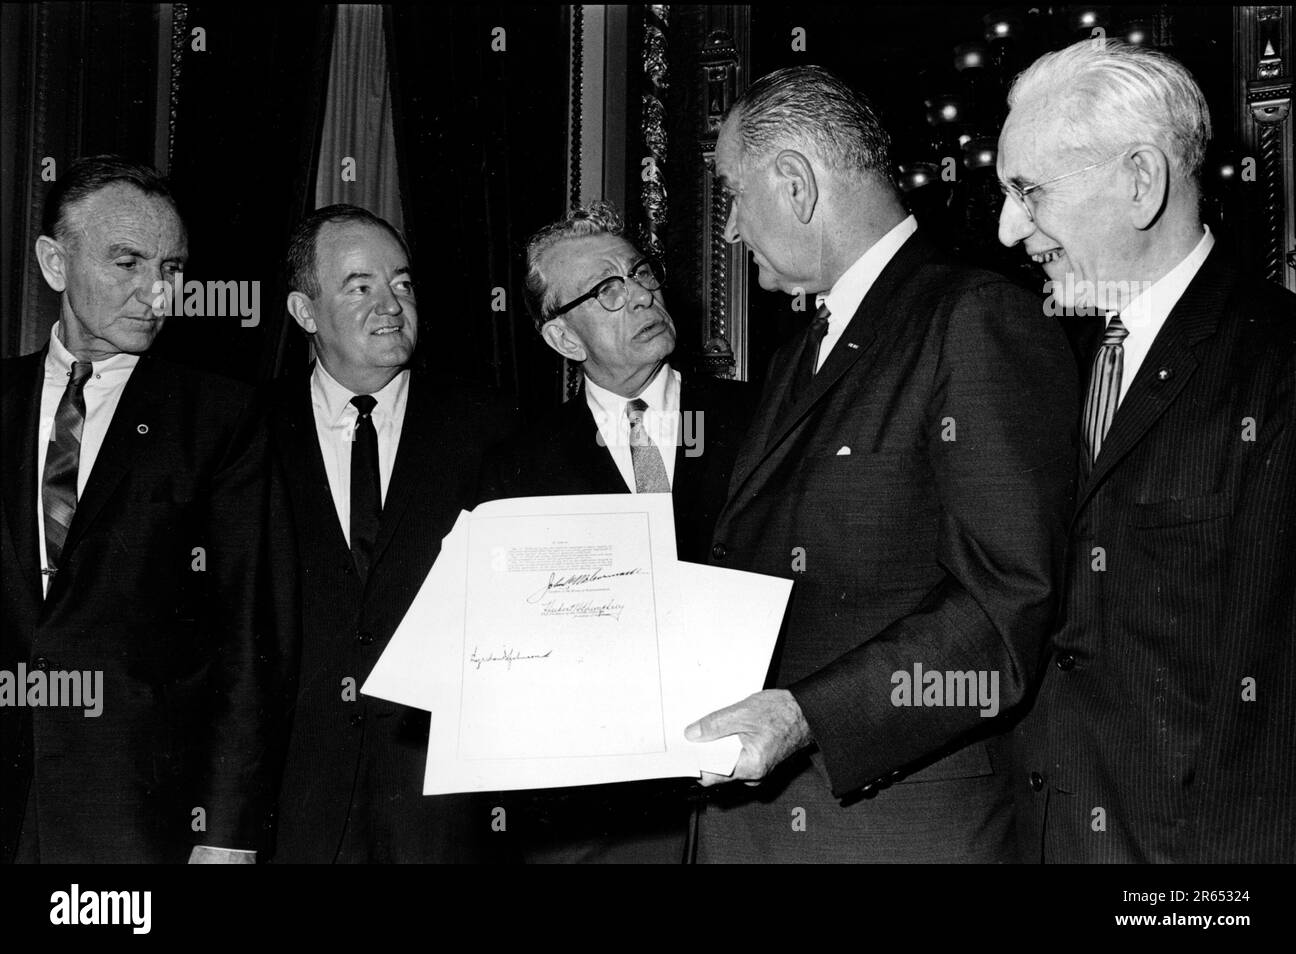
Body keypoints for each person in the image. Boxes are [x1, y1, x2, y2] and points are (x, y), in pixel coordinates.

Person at [686, 66, 1078, 862]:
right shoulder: (802, 350)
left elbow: (1002, 626)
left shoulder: (972, 317)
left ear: (795, 183)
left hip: (889, 836)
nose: (730, 227)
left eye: (733, 193)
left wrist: (805, 715)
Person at [997, 39, 1296, 863]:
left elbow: (1274, 720)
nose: (1008, 228)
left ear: (1140, 180)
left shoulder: (1277, 367)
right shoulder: (1063, 359)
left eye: (1029, 192)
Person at [0, 155, 271, 863]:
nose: (158, 292)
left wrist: (226, 832)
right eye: (127, 262)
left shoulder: (220, 419)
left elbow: (245, 633)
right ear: (55, 263)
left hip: (138, 812)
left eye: (174, 268)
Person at [478, 200, 757, 862]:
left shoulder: (761, 419)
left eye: (639, 274)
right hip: (603, 822)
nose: (639, 296)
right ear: (564, 338)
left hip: (753, 801)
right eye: (608, 290)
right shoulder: (516, 468)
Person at [266, 204, 515, 863]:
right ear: (303, 311)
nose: (391, 305)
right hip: (293, 808)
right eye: (360, 287)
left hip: (446, 815)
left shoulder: (491, 428)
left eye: (402, 284)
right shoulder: (247, 434)